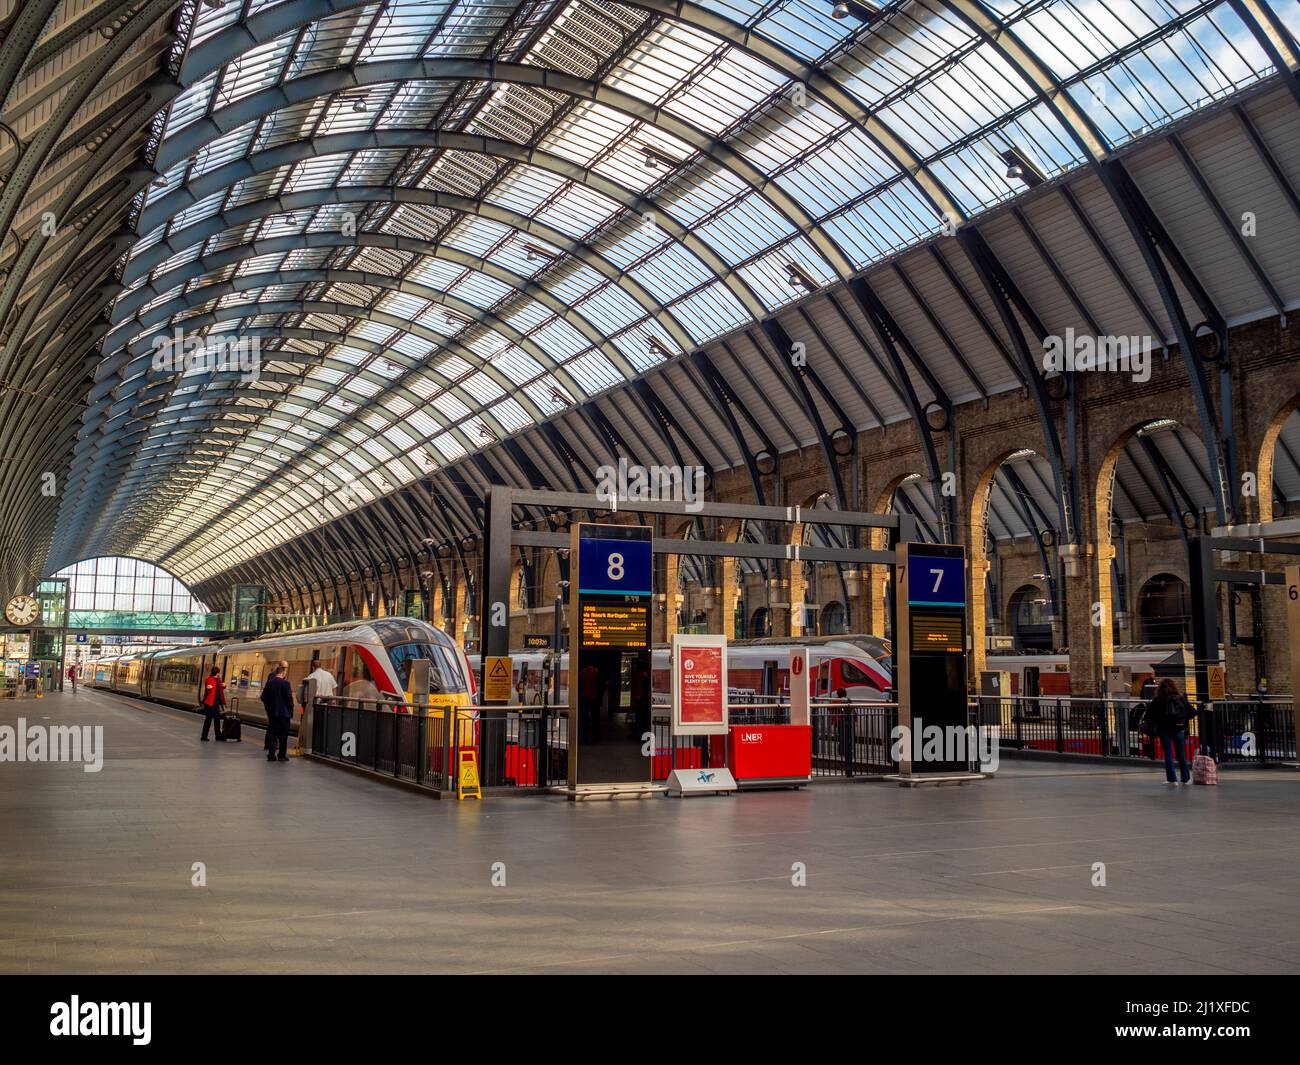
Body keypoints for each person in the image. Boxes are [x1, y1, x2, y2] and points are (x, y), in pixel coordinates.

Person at [1147, 678, 1194, 785]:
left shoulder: (1157, 700)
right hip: (1178, 728)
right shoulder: (1180, 698)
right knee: (1181, 754)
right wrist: (1182, 719)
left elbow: (1151, 715)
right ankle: (1185, 779)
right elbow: (1192, 712)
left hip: (1163, 729)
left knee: (1168, 754)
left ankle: (1172, 779)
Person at [261, 664, 294, 762]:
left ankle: (271, 755)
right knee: (283, 735)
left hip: (273, 714)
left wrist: (269, 709)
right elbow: (289, 699)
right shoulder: (286, 683)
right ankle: (281, 755)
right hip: (284, 714)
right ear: (283, 673)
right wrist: (290, 711)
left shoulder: (270, 683)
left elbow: (263, 697)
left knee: (273, 734)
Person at [200, 666, 226, 741]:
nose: (219, 674)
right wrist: (208, 688)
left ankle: (218, 736)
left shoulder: (219, 680)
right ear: (217, 673)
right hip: (209, 703)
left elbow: (220, 688)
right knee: (208, 720)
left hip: (216, 703)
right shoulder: (209, 679)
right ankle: (204, 736)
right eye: (219, 672)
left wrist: (224, 686)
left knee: (217, 720)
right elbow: (207, 687)